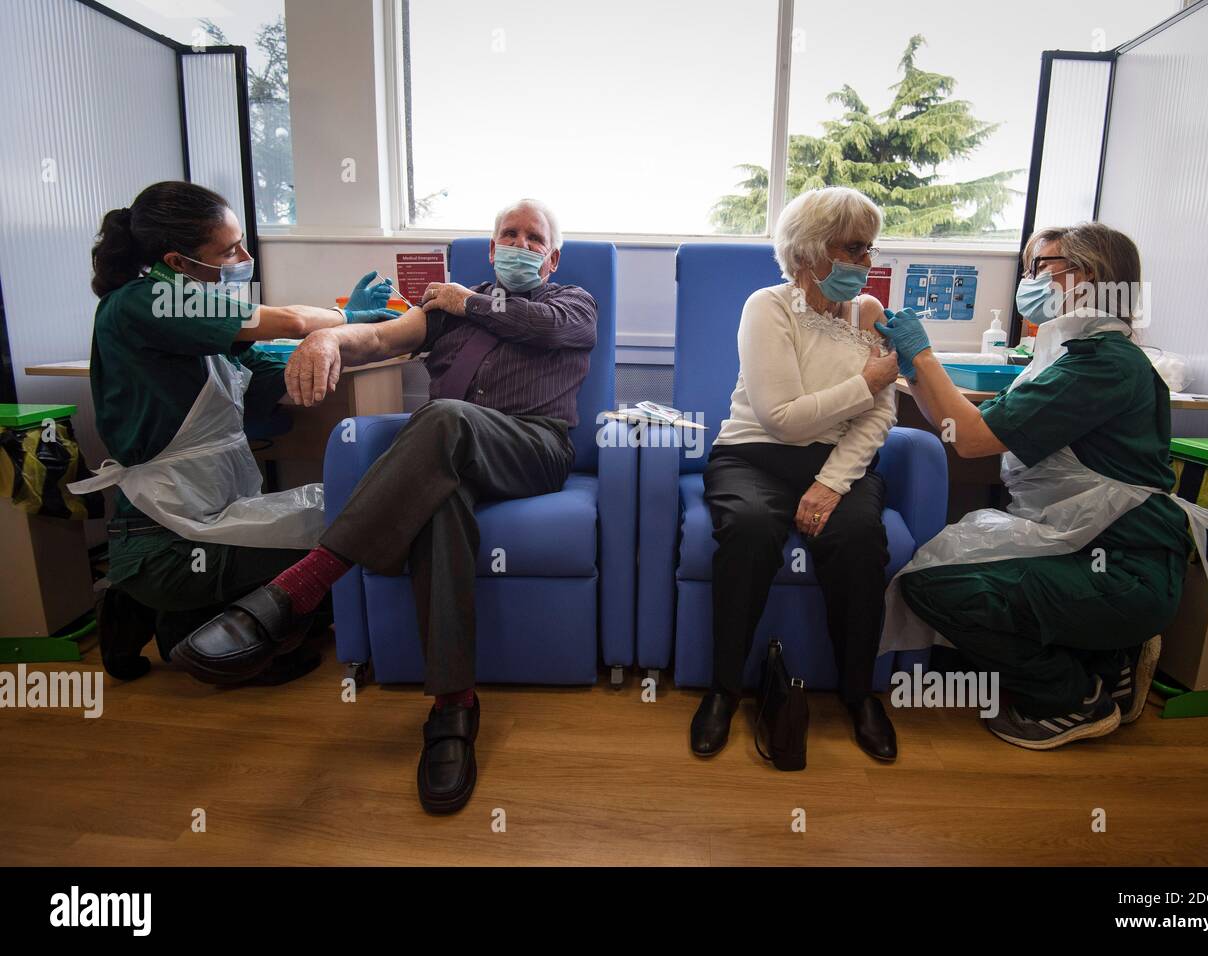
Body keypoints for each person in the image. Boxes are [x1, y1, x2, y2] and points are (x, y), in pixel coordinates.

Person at [172, 198, 597, 814]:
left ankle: (299, 588)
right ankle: (453, 709)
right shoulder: (446, 309)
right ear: (490, 248)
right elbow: (376, 337)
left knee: (443, 417)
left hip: (532, 450)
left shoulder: (571, 303)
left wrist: (468, 303)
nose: (520, 245)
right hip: (448, 458)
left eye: (535, 239)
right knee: (439, 503)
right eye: (509, 234)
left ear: (552, 258)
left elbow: (550, 329)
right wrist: (327, 336)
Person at [877, 222, 1189, 750]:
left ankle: (1068, 699)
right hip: (1089, 547)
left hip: (1121, 565)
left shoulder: (1101, 365)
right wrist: (914, 369)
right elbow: (967, 425)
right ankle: (1108, 661)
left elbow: (972, 440)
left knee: (934, 586)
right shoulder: (1070, 356)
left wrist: (924, 357)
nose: (1030, 281)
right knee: (955, 565)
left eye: (1040, 267)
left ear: (1087, 275)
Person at [80, 181, 399, 685]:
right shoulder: (150, 301)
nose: (245, 259)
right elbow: (291, 321)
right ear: (178, 262)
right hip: (166, 536)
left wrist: (341, 346)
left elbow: (260, 366)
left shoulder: (195, 315)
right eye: (229, 250)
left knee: (335, 527)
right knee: (331, 558)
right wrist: (345, 317)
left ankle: (173, 608)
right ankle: (166, 614)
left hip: (205, 512)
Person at [691, 186, 902, 765]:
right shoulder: (768, 306)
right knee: (750, 528)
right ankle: (723, 690)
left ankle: (859, 696)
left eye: (869, 248)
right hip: (752, 455)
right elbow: (781, 419)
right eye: (853, 248)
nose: (866, 261)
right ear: (809, 251)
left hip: (838, 463)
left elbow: (880, 415)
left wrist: (831, 483)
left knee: (859, 537)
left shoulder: (870, 315)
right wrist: (867, 381)